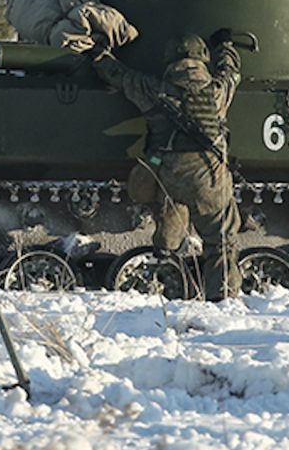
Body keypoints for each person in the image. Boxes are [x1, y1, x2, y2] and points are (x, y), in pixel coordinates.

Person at [93, 31, 244, 301]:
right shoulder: (217, 90)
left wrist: (98, 54)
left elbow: (119, 75)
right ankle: (222, 296)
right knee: (221, 241)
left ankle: (166, 254)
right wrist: (226, 46)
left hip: (168, 171)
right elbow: (231, 72)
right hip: (209, 175)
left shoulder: (152, 88)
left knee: (171, 214)